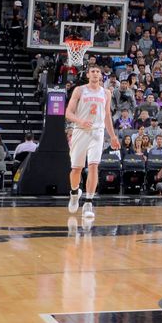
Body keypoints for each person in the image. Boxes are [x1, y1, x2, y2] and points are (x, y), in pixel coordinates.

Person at [62, 64, 118, 220]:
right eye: (92, 71)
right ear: (88, 75)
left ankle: (88, 203)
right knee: (76, 169)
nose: (95, 73)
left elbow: (107, 115)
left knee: (93, 166)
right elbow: (68, 113)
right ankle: (74, 193)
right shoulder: (79, 90)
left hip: (97, 132)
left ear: (101, 75)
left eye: (98, 71)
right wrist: (80, 121)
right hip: (80, 131)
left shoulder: (106, 92)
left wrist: (113, 136)